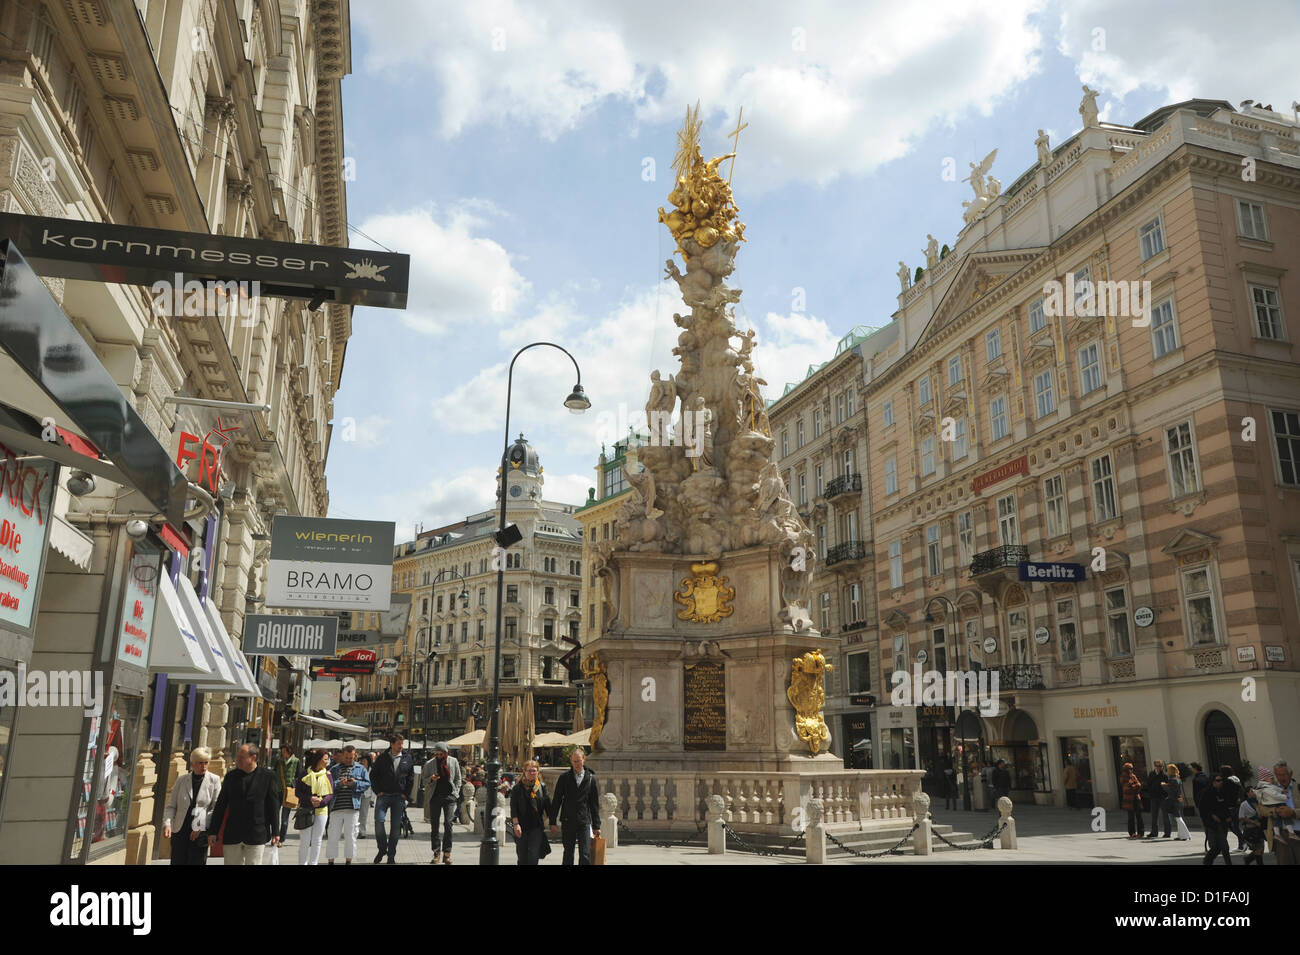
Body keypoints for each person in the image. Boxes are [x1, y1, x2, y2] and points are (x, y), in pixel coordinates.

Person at [206, 743, 282, 865]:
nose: (238, 759)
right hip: (233, 832)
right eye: (238, 756)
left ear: (253, 757)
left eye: (242, 757)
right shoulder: (231, 776)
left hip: (256, 832)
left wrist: (276, 832)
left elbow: (273, 806)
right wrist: (213, 831)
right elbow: (221, 804)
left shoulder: (268, 776)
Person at [162, 747, 221, 865]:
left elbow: (216, 808)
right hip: (180, 829)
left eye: (206, 763)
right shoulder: (182, 780)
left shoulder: (214, 780)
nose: (203, 766)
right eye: (200, 763)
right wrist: (167, 824)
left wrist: (200, 825)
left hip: (200, 831)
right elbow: (171, 806)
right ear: (193, 764)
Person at [549, 749, 601, 866]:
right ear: (571, 762)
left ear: (584, 760)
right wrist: (553, 821)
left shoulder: (591, 778)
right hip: (568, 820)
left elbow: (594, 804)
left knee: (585, 854)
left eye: (579, 761)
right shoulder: (564, 778)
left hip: (584, 821)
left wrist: (596, 826)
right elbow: (556, 800)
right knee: (568, 852)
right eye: (574, 761)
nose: (577, 764)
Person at [370, 733, 413, 864]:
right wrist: (377, 791)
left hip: (399, 797)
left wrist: (406, 794)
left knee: (395, 828)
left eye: (402, 743)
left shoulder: (407, 757)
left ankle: (391, 855)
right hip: (383, 795)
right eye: (399, 743)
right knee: (379, 822)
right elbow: (373, 775)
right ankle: (382, 849)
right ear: (392, 744)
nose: (401, 746)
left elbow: (411, 777)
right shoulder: (382, 757)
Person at [326, 745, 370, 865]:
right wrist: (339, 783)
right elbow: (328, 786)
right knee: (333, 836)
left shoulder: (361, 769)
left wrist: (355, 783)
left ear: (355, 756)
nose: (348, 760)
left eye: (351, 757)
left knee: (351, 836)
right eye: (346, 757)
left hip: (352, 807)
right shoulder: (334, 769)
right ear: (342, 756)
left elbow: (367, 784)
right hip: (336, 807)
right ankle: (331, 860)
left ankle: (348, 861)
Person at [423, 741, 463, 865]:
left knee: (448, 824)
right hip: (435, 797)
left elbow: (458, 778)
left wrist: (455, 792)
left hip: (449, 797)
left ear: (446, 752)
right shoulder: (429, 764)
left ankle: (447, 854)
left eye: (441, 754)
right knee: (434, 826)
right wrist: (431, 779)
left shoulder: (453, 761)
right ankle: (436, 853)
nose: (439, 756)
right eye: (437, 754)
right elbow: (424, 780)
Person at [511, 759, 551, 865]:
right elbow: (513, 808)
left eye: (534, 771)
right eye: (529, 771)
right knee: (522, 857)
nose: (532, 773)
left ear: (538, 772)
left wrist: (553, 822)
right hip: (521, 826)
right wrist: (516, 824)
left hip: (536, 827)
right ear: (524, 771)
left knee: (533, 856)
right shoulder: (517, 788)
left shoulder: (541, 787)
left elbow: (548, 806)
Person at [296, 749, 333, 865]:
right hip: (306, 809)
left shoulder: (328, 775)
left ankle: (313, 863)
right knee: (305, 841)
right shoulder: (304, 773)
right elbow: (298, 792)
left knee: (317, 840)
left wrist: (321, 802)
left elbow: (330, 793)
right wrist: (310, 799)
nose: (327, 762)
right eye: (325, 759)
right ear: (318, 759)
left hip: (322, 811)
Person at [1263, 760, 1298, 865]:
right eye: (1278, 775)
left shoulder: (1298, 788)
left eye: (1283, 774)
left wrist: (1293, 813)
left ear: (1291, 774)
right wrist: (1274, 811)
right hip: (1282, 837)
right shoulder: (1271, 790)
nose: (1281, 778)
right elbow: (1260, 809)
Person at [1197, 774, 1233, 865]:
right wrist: (1212, 815)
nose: (1220, 782)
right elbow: (1202, 808)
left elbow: (1225, 805)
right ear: (1213, 782)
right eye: (1218, 780)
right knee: (1223, 846)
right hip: (1213, 824)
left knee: (1219, 846)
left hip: (1223, 822)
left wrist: (1229, 816)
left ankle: (1207, 861)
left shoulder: (1222, 791)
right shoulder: (1206, 793)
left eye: (1221, 780)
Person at [273, 743, 301, 843]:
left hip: (289, 793)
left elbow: (298, 776)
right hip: (278, 791)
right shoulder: (279, 761)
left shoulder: (296, 761)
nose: (283, 753)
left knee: (285, 819)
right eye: (282, 751)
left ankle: (282, 839)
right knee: (275, 815)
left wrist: (295, 788)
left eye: (284, 751)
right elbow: (273, 774)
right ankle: (274, 836)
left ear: (290, 752)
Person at [1239, 787, 1267, 865]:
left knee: (1260, 850)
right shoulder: (1244, 804)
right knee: (1258, 850)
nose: (1254, 792)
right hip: (1250, 830)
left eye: (1254, 790)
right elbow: (1241, 817)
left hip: (1259, 829)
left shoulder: (1259, 802)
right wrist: (1254, 822)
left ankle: (1248, 859)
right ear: (1247, 793)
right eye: (1252, 791)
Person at [1163, 762, 1188, 839]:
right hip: (1178, 799)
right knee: (1178, 818)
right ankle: (1181, 835)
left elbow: (1171, 791)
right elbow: (1177, 789)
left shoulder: (1171, 779)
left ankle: (1185, 835)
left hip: (1174, 800)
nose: (1166, 771)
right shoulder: (1178, 778)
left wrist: (1164, 786)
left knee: (1178, 818)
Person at [1144, 759, 1167, 838]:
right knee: (1154, 815)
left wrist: (1165, 794)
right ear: (1155, 766)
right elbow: (1148, 784)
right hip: (1154, 797)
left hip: (1162, 797)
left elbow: (1167, 786)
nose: (1159, 768)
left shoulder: (1164, 775)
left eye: (1160, 766)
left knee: (1165, 815)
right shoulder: (1151, 774)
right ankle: (1154, 832)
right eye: (1157, 766)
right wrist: (1150, 793)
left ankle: (1167, 833)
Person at [1120, 763, 1144, 838]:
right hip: (1129, 799)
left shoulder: (1133, 776)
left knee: (1139, 816)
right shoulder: (1123, 777)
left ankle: (1141, 832)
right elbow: (1126, 788)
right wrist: (1135, 786)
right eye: (1130, 769)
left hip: (1136, 798)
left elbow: (1139, 785)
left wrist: (1133, 786)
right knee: (1131, 817)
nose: (1131, 770)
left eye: (1132, 769)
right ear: (1126, 770)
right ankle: (1132, 832)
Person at [357, 753, 376, 839]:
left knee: (363, 814)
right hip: (358, 794)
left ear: (368, 762)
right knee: (356, 814)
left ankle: (362, 831)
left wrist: (372, 798)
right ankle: (356, 831)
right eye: (362, 761)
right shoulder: (358, 769)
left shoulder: (372, 771)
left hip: (367, 795)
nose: (363, 762)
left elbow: (373, 785)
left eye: (364, 761)